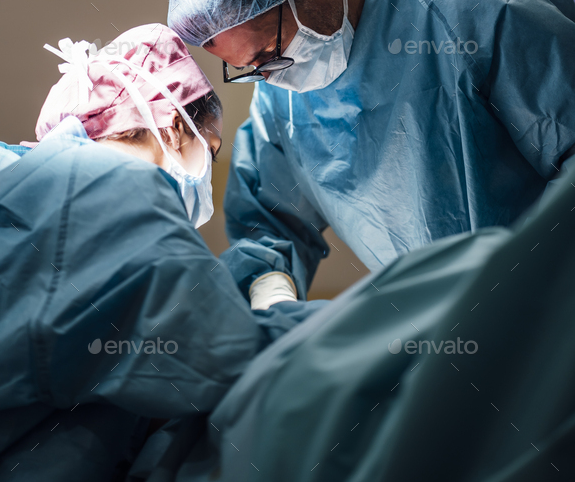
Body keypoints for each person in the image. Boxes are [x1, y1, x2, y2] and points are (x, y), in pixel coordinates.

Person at [168, 0, 575, 305]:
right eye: (248, 67)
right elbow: (272, 224)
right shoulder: (281, 88)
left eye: (269, 50)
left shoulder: (475, 6)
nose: (268, 75)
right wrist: (274, 298)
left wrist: (525, 294)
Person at [0, 24, 318, 482]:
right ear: (175, 125)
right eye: (212, 149)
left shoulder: (8, 179)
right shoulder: (112, 189)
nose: (206, 175)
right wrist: (275, 294)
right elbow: (231, 360)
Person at [203, 156, 575, 482]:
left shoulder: (469, 72)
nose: (252, 73)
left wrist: (529, 276)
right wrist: (272, 301)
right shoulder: (280, 113)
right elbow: (268, 224)